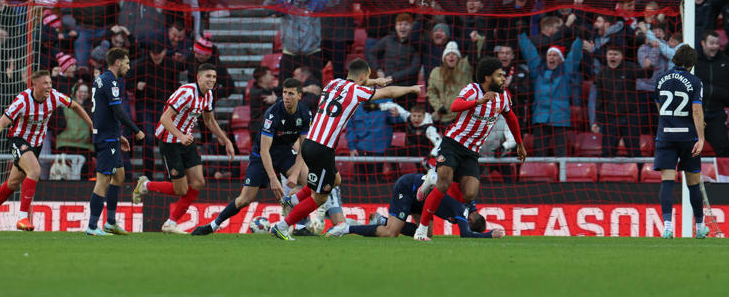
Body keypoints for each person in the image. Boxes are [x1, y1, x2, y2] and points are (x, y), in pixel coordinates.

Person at [270, 58, 421, 240]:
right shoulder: (357, 91)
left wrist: (374, 81)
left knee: (335, 179)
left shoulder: (333, 83)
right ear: (364, 76)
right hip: (322, 149)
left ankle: (291, 200)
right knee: (320, 198)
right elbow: (387, 92)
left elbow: (357, 82)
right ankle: (282, 226)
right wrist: (412, 89)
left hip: (310, 142)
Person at [413, 57, 526, 241]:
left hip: (472, 152)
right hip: (453, 143)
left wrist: (520, 144)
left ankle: (432, 178)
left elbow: (512, 118)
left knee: (470, 193)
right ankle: (422, 230)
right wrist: (479, 101)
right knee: (444, 183)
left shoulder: (504, 96)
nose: (503, 78)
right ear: (488, 78)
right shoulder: (472, 90)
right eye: (499, 75)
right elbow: (455, 106)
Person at [191, 78, 311, 235]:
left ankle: (301, 227)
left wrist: (295, 174)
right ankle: (213, 225)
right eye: (284, 93)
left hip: (285, 153)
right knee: (245, 199)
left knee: (310, 181)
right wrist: (273, 180)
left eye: (291, 94)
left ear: (299, 96)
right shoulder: (272, 114)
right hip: (262, 156)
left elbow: (303, 147)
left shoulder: (305, 113)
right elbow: (264, 150)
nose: (286, 97)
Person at [0, 70, 92, 231]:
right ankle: (23, 218)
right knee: (35, 171)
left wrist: (92, 125)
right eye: (45, 83)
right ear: (35, 85)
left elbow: (74, 105)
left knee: (13, 183)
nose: (49, 86)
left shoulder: (55, 96)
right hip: (19, 140)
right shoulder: (23, 100)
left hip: (36, 144)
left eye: (50, 83)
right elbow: (2, 123)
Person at [133, 63, 235, 234]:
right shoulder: (186, 93)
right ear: (198, 78)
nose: (212, 80)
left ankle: (170, 223)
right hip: (170, 140)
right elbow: (165, 119)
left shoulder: (208, 95)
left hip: (186, 140)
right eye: (208, 76)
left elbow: (209, 121)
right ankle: (146, 185)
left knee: (199, 182)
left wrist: (226, 140)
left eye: (214, 77)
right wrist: (180, 136)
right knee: (181, 189)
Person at [326, 172, 505, 239]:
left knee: (428, 232)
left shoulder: (468, 203)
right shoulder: (462, 210)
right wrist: (490, 235)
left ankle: (382, 220)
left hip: (425, 199)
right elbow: (466, 234)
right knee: (391, 233)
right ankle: (346, 228)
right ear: (471, 218)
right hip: (408, 187)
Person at [86, 47, 145, 236]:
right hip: (106, 138)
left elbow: (102, 111)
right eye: (127, 63)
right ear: (118, 62)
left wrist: (119, 136)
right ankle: (92, 226)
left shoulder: (101, 79)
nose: (129, 67)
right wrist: (137, 131)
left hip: (110, 135)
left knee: (119, 176)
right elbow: (118, 111)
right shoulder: (111, 81)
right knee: (103, 180)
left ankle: (110, 222)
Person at [653, 45, 709, 239]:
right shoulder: (695, 81)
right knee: (693, 183)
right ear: (692, 64)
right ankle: (700, 227)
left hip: (666, 135)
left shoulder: (660, 79)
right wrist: (701, 138)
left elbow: (660, 107)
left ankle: (667, 227)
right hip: (687, 137)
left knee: (667, 181)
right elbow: (696, 110)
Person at [695, 31, 729, 157]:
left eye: (717, 44)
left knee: (723, 147)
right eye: (711, 43)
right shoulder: (694, 62)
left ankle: (723, 176)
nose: (714, 46)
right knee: (688, 147)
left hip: (717, 114)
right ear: (703, 43)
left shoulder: (726, 63)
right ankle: (687, 176)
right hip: (696, 113)